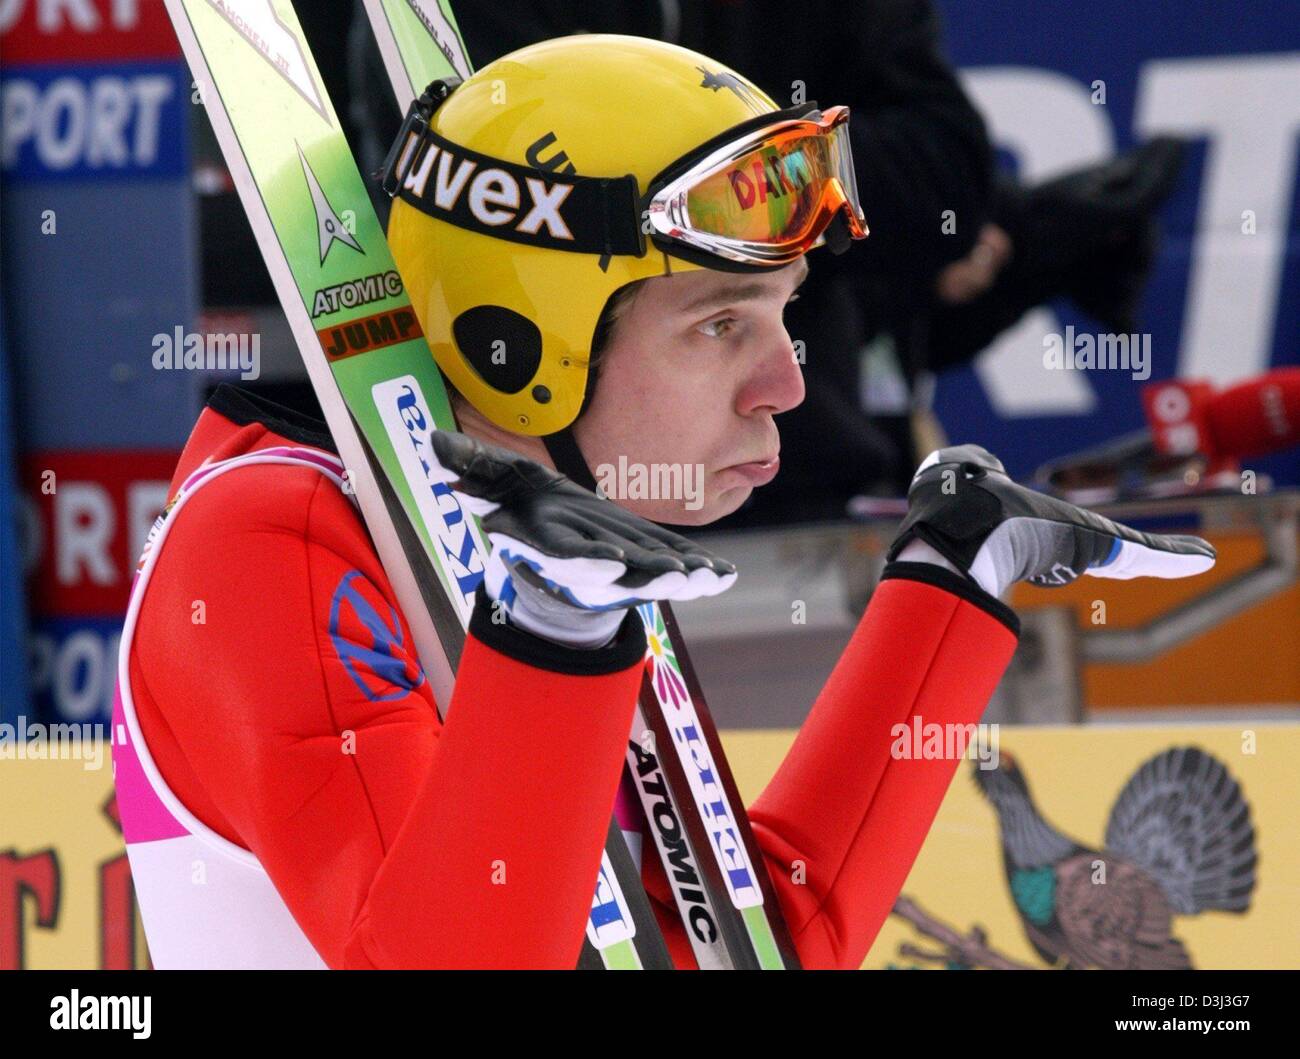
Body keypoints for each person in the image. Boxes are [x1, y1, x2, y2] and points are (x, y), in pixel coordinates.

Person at [113, 35, 1215, 969]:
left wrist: (950, 582)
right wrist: (555, 636)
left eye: (786, 315)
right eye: (719, 325)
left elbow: (750, 937)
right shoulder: (275, 539)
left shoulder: (568, 528)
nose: (786, 385)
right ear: (518, 346)